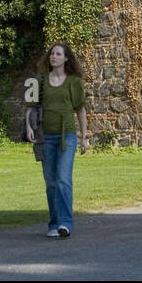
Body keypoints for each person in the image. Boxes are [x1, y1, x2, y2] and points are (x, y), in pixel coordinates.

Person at [24, 43, 86, 238]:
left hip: (67, 136)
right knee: (50, 182)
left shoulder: (74, 82)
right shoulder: (38, 80)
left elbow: (81, 109)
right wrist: (28, 128)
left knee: (63, 180)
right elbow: (29, 106)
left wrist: (84, 137)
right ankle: (53, 223)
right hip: (46, 137)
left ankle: (65, 224)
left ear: (66, 58)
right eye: (52, 53)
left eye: (58, 54)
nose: (54, 57)